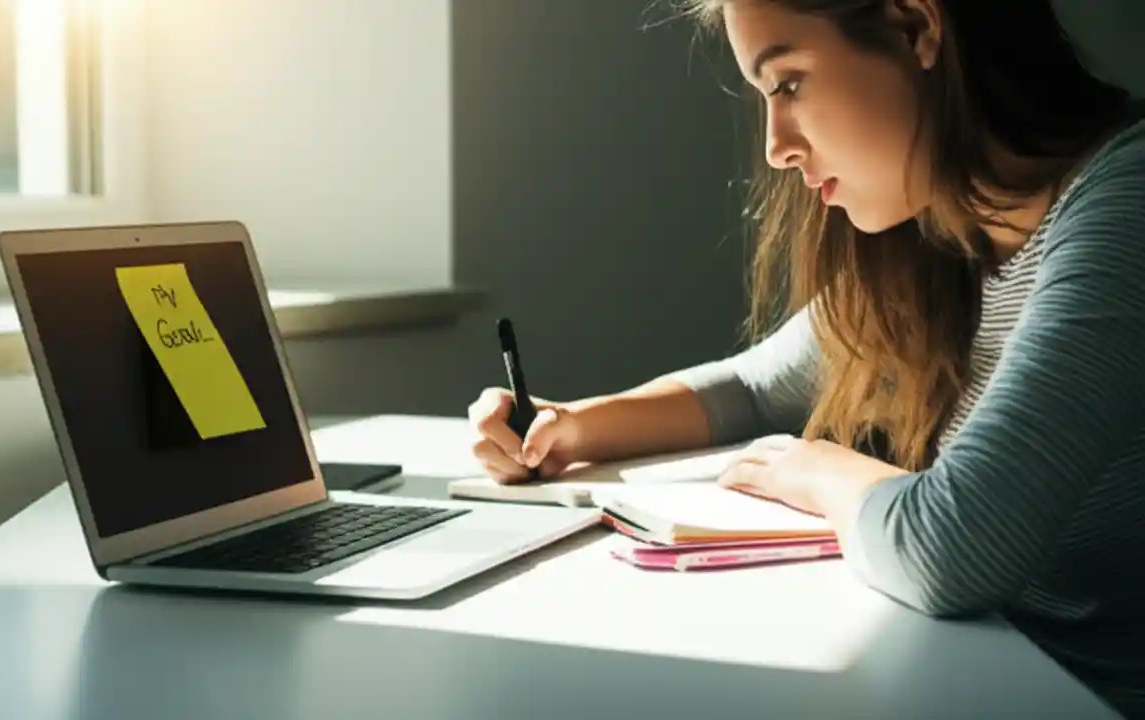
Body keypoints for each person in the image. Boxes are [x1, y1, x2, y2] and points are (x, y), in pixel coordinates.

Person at [466, 0, 1145, 715]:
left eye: (787, 84)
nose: (776, 147)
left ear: (916, 28)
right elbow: (755, 387)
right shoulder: (954, 234)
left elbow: (953, 550)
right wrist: (571, 426)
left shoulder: (1125, 204)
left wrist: (818, 469)